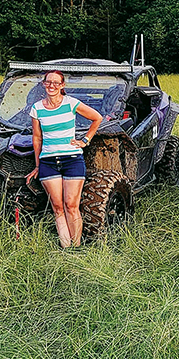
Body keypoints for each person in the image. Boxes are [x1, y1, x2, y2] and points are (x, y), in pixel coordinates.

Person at [25, 70, 102, 248]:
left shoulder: (71, 103)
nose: (52, 86)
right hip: (48, 162)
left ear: (62, 85)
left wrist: (85, 140)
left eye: (56, 83)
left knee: (71, 205)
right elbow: (37, 138)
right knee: (57, 207)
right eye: (48, 82)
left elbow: (96, 118)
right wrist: (37, 165)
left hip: (72, 159)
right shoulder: (37, 108)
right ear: (43, 84)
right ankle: (65, 247)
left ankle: (77, 247)